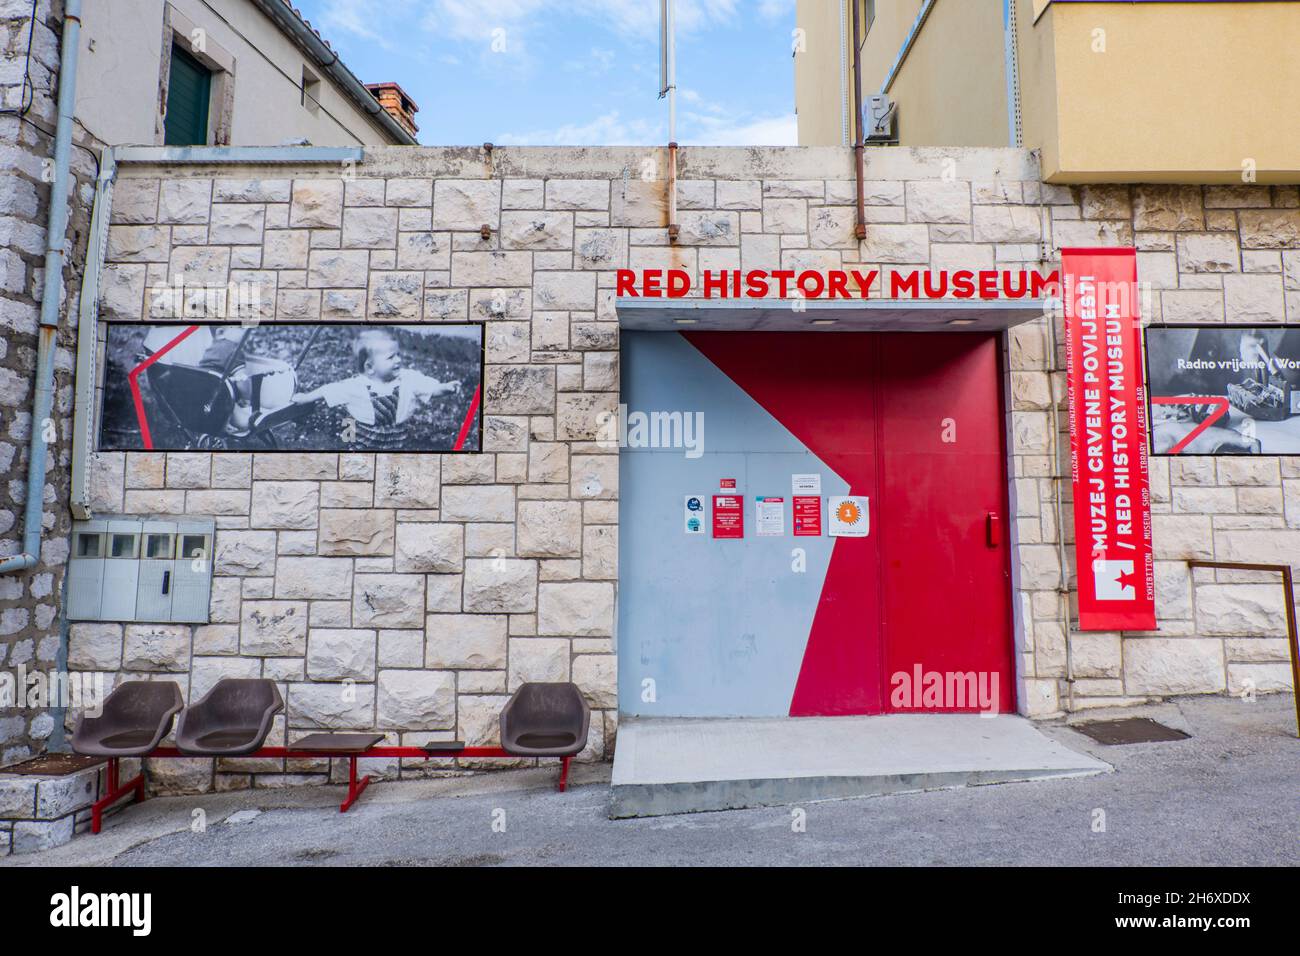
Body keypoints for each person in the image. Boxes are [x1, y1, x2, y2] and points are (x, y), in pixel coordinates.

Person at [293, 329, 461, 448]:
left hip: (396, 433)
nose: (398, 361)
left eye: (398, 355)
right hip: (363, 433)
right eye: (391, 357)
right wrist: (305, 397)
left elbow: (429, 389)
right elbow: (327, 390)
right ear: (370, 367)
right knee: (351, 434)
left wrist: (446, 388)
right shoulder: (355, 386)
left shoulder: (408, 378)